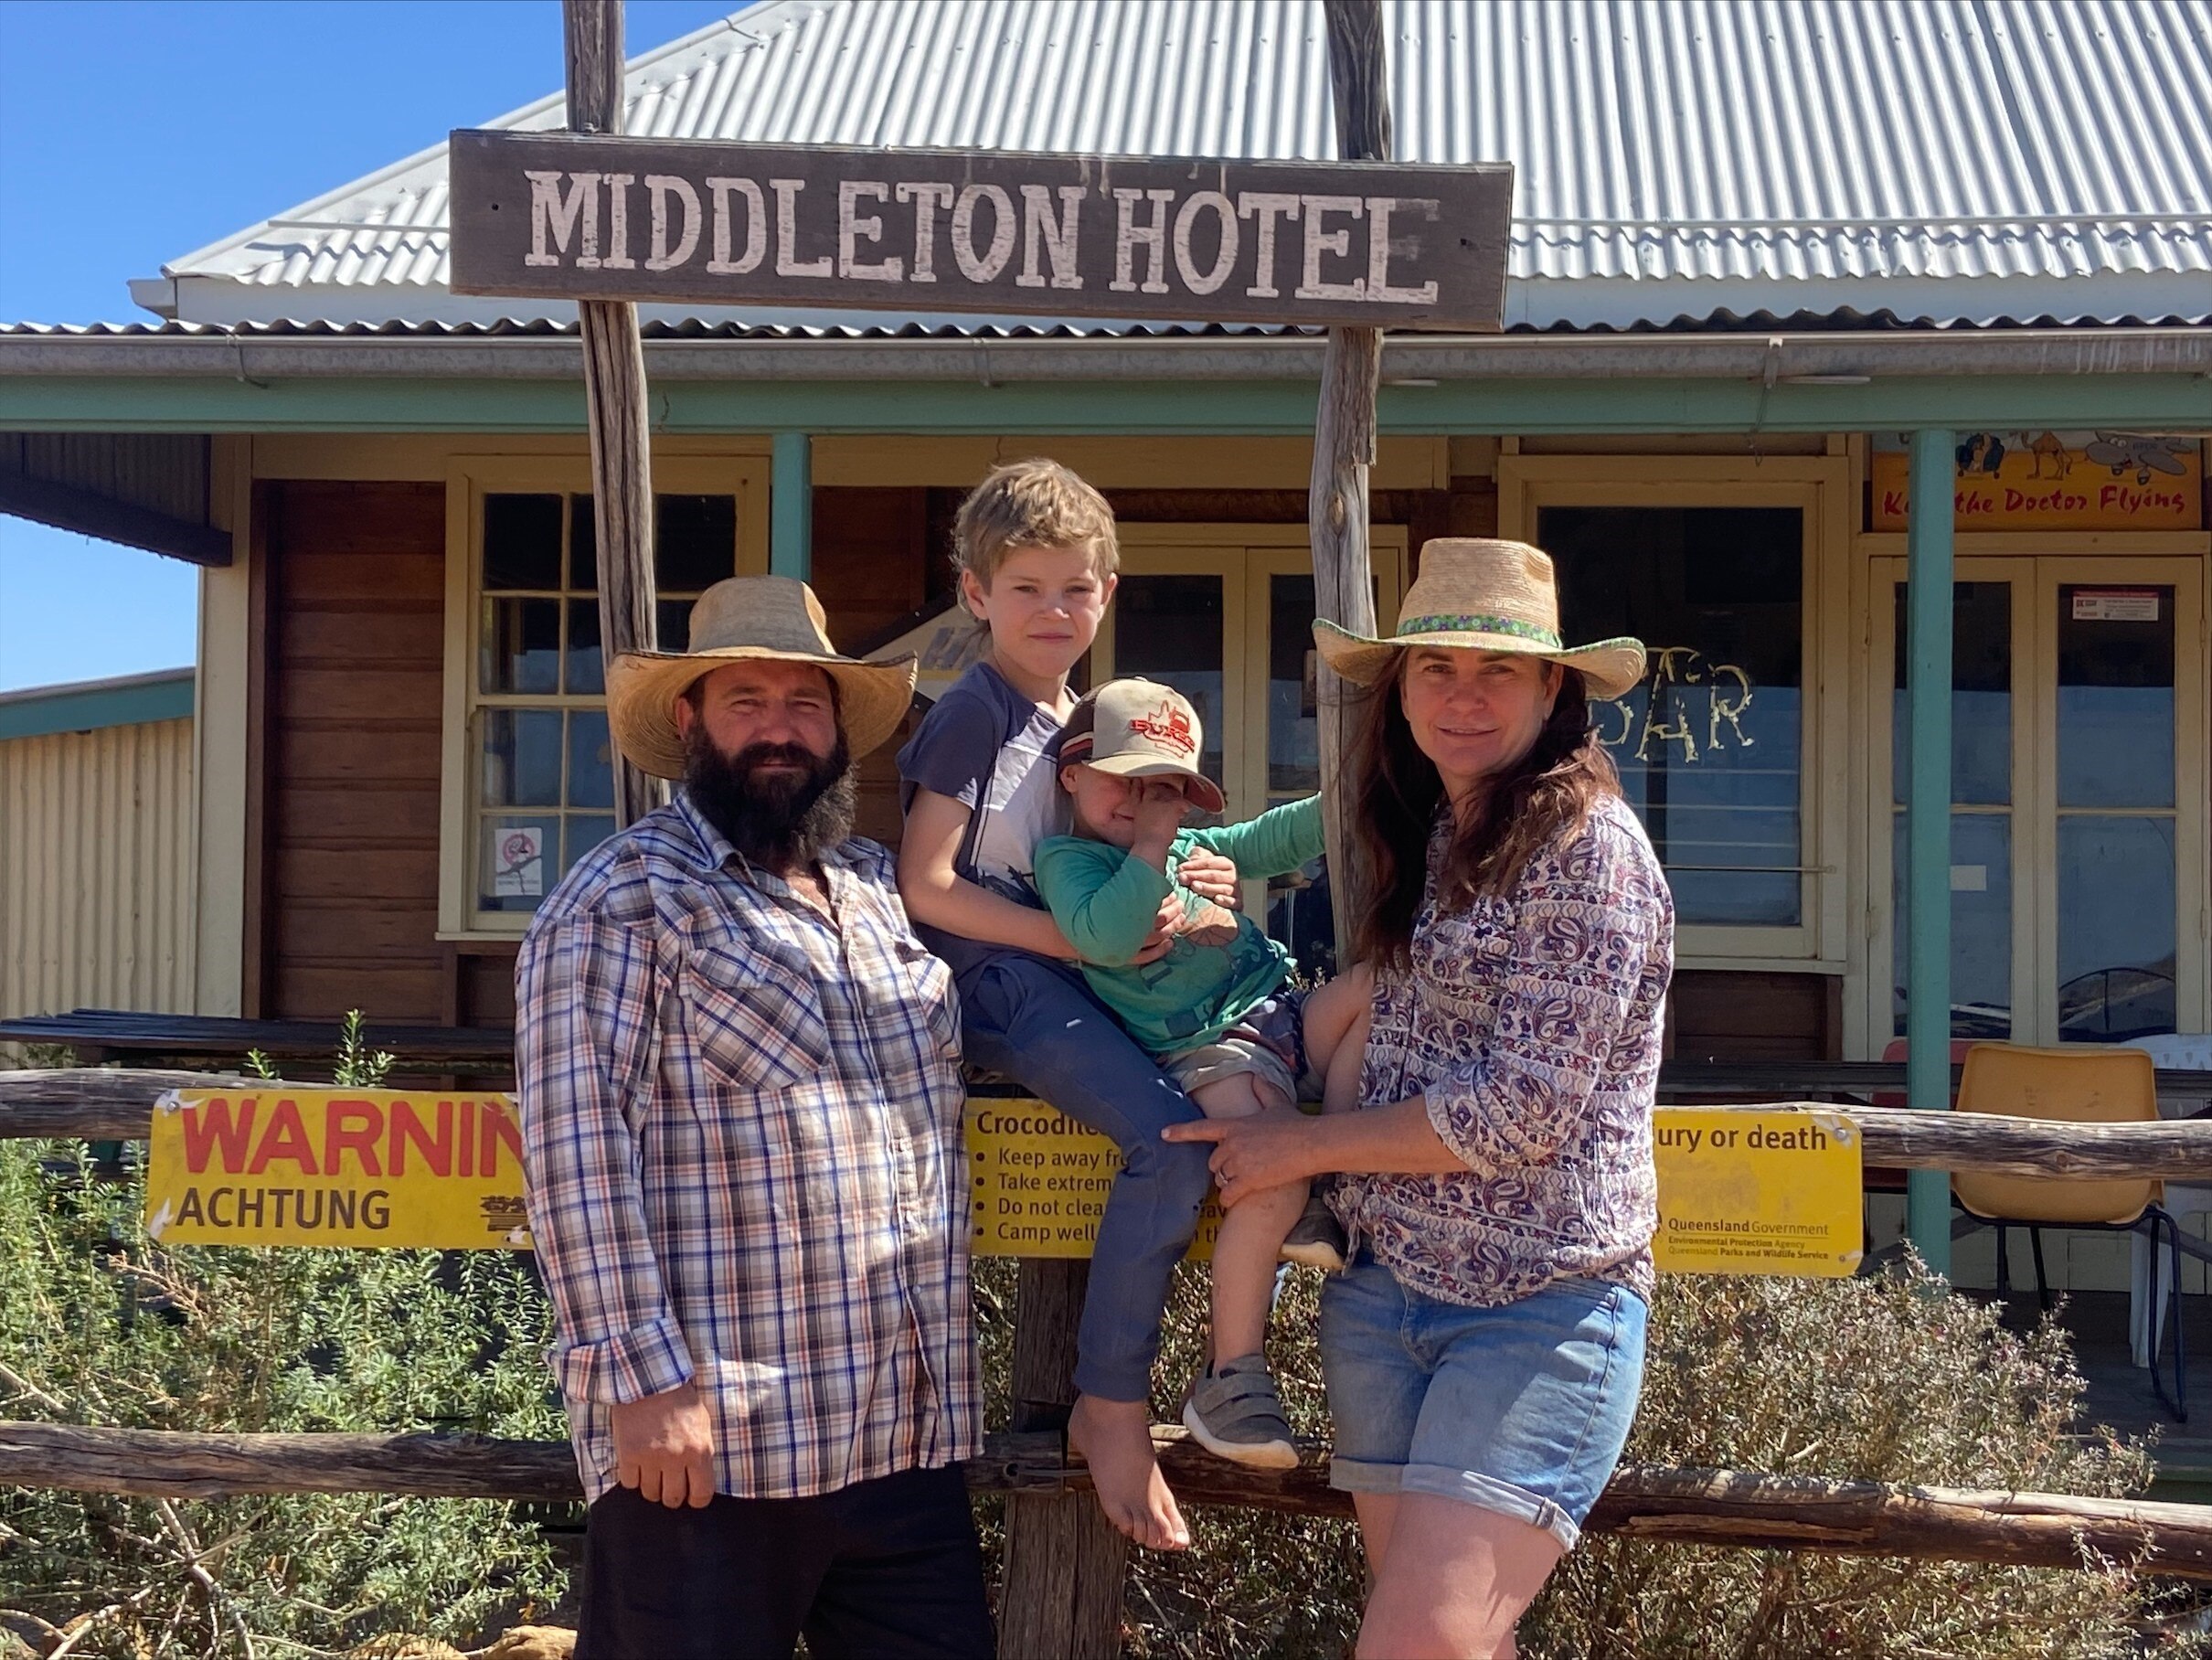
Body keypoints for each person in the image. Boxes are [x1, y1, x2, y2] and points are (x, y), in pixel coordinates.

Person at [1165, 539, 1674, 1659]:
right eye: (1434, 666)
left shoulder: (1586, 852)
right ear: (1398, 688)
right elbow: (1394, 1015)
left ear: (1554, 690)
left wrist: (1299, 1146)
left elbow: (1519, 1112)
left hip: (1538, 1307)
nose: (1461, 694)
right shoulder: (1450, 833)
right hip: (1387, 1299)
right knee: (1451, 1645)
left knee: (1418, 1643)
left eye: (1498, 670)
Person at [514, 576, 992, 1660]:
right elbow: (575, 1154)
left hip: (901, 1430)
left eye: (804, 703)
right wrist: (640, 1386)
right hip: (713, 1443)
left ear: (835, 729)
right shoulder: (622, 899)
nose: (779, 728)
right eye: (747, 701)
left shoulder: (876, 890)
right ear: (689, 721)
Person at [895, 458, 1243, 1553]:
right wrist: (1063, 939)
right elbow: (925, 882)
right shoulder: (972, 713)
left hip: (1068, 962)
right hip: (992, 976)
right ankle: (1111, 1401)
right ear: (974, 595)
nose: (1054, 610)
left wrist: (1191, 883)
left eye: (1076, 589)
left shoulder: (1078, 717)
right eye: (1027, 587)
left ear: (1109, 593)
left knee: (1241, 1068)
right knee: (1167, 1141)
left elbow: (1105, 847)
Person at [1031, 677, 1371, 1471]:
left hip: (1277, 1019)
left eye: (1167, 788)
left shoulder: (1192, 846)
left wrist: (1357, 785)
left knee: (1372, 994)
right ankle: (1230, 1377)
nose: (1149, 804)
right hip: (1205, 1048)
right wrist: (1155, 849)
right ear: (1072, 776)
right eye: (1128, 781)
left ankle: (1330, 1176)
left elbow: (1281, 838)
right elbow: (1108, 935)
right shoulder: (1070, 861)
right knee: (1268, 1167)